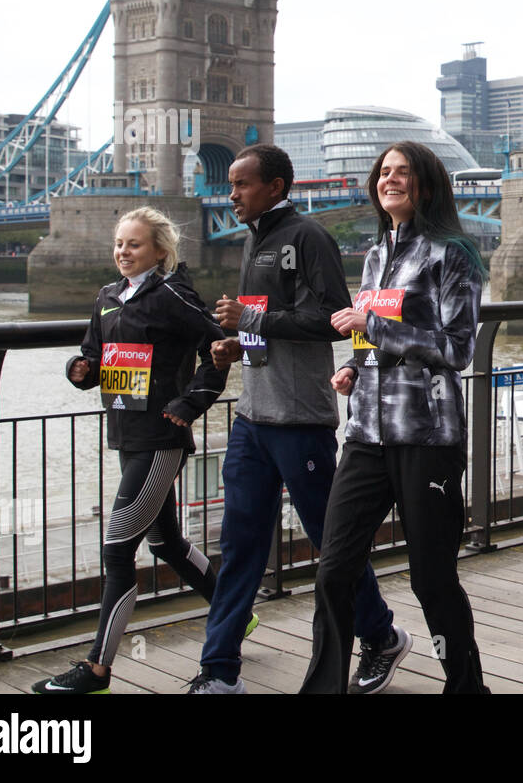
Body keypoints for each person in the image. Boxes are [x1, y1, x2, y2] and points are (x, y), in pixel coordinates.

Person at [191, 144, 403, 694]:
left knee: (330, 544)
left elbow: (332, 319)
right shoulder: (252, 240)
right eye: (231, 184)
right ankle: (219, 673)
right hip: (252, 417)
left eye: (242, 184)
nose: (231, 193)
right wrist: (239, 343)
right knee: (239, 546)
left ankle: (380, 635)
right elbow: (272, 324)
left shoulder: (308, 238)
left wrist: (252, 317)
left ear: (277, 187)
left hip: (300, 419)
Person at [301, 141, 489, 694]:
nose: (391, 180)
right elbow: (369, 336)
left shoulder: (452, 253)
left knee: (432, 579)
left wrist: (375, 329)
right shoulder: (376, 254)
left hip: (427, 436)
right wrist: (355, 369)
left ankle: (466, 686)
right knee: (334, 569)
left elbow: (458, 350)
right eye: (384, 172)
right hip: (365, 434)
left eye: (403, 173)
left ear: (425, 185)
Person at [33, 207, 226, 693]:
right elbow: (95, 358)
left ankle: (97, 669)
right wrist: (81, 371)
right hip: (124, 435)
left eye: (134, 245)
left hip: (161, 438)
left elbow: (218, 349)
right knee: (166, 543)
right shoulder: (106, 298)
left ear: (159, 250)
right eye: (119, 244)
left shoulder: (172, 296)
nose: (123, 252)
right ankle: (233, 614)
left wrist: (190, 403)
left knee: (118, 550)